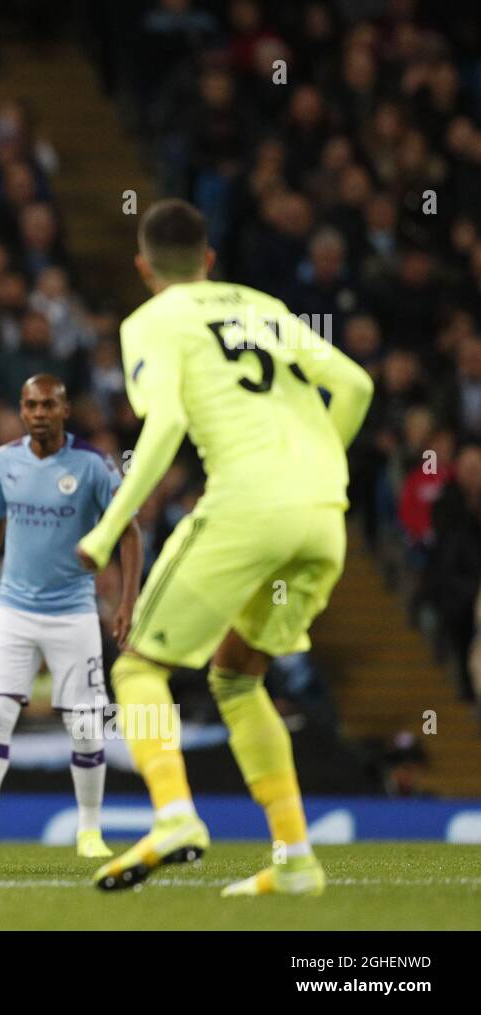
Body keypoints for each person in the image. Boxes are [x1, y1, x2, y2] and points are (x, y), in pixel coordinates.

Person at [76, 199, 374, 896]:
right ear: (209, 261)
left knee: (139, 667)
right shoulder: (260, 304)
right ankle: (296, 858)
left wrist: (110, 523)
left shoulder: (150, 320)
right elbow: (356, 383)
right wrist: (324, 465)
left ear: (144, 268)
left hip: (247, 506)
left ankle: (175, 816)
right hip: (324, 513)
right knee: (238, 677)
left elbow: (167, 422)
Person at [0, 373, 141, 862]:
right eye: (30, 405)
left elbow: (127, 532)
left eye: (48, 405)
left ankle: (89, 831)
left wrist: (129, 601)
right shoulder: (3, 461)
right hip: (13, 612)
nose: (39, 413)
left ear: (65, 410)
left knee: (86, 726)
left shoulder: (92, 465)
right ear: (22, 411)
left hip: (73, 613)